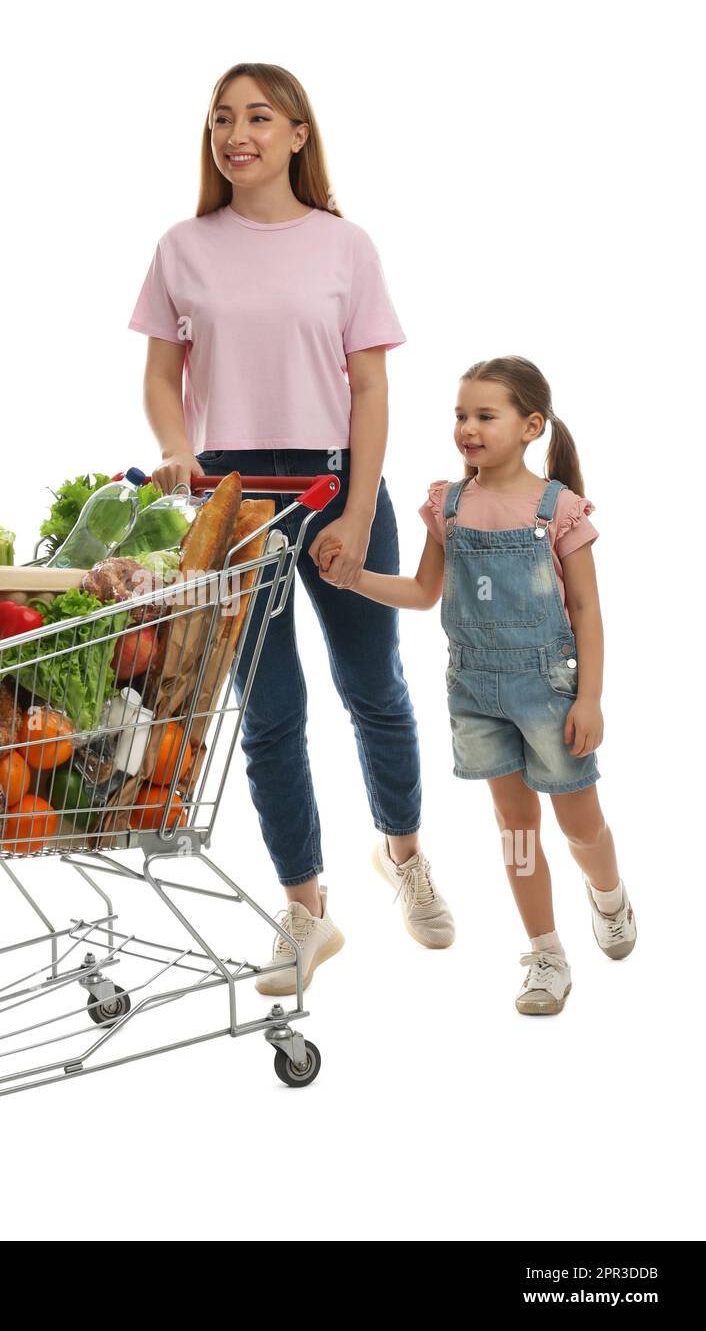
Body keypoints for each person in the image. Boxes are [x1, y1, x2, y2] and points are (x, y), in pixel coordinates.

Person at [128, 62, 454, 994]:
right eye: (223, 118)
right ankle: (307, 909)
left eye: (260, 117)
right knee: (269, 715)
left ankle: (403, 852)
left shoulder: (345, 247)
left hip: (334, 489)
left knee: (375, 687)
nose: (238, 134)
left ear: (299, 134)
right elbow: (162, 376)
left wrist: (355, 512)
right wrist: (174, 445)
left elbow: (370, 387)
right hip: (232, 504)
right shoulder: (183, 245)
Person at [315, 355, 636, 1014]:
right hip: (476, 696)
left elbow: (587, 611)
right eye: (461, 415)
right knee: (515, 826)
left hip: (549, 694)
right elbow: (424, 591)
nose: (468, 427)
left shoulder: (558, 510)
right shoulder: (448, 505)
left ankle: (608, 894)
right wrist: (354, 579)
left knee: (581, 827)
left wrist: (591, 697)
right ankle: (546, 955)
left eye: (486, 415)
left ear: (530, 426)